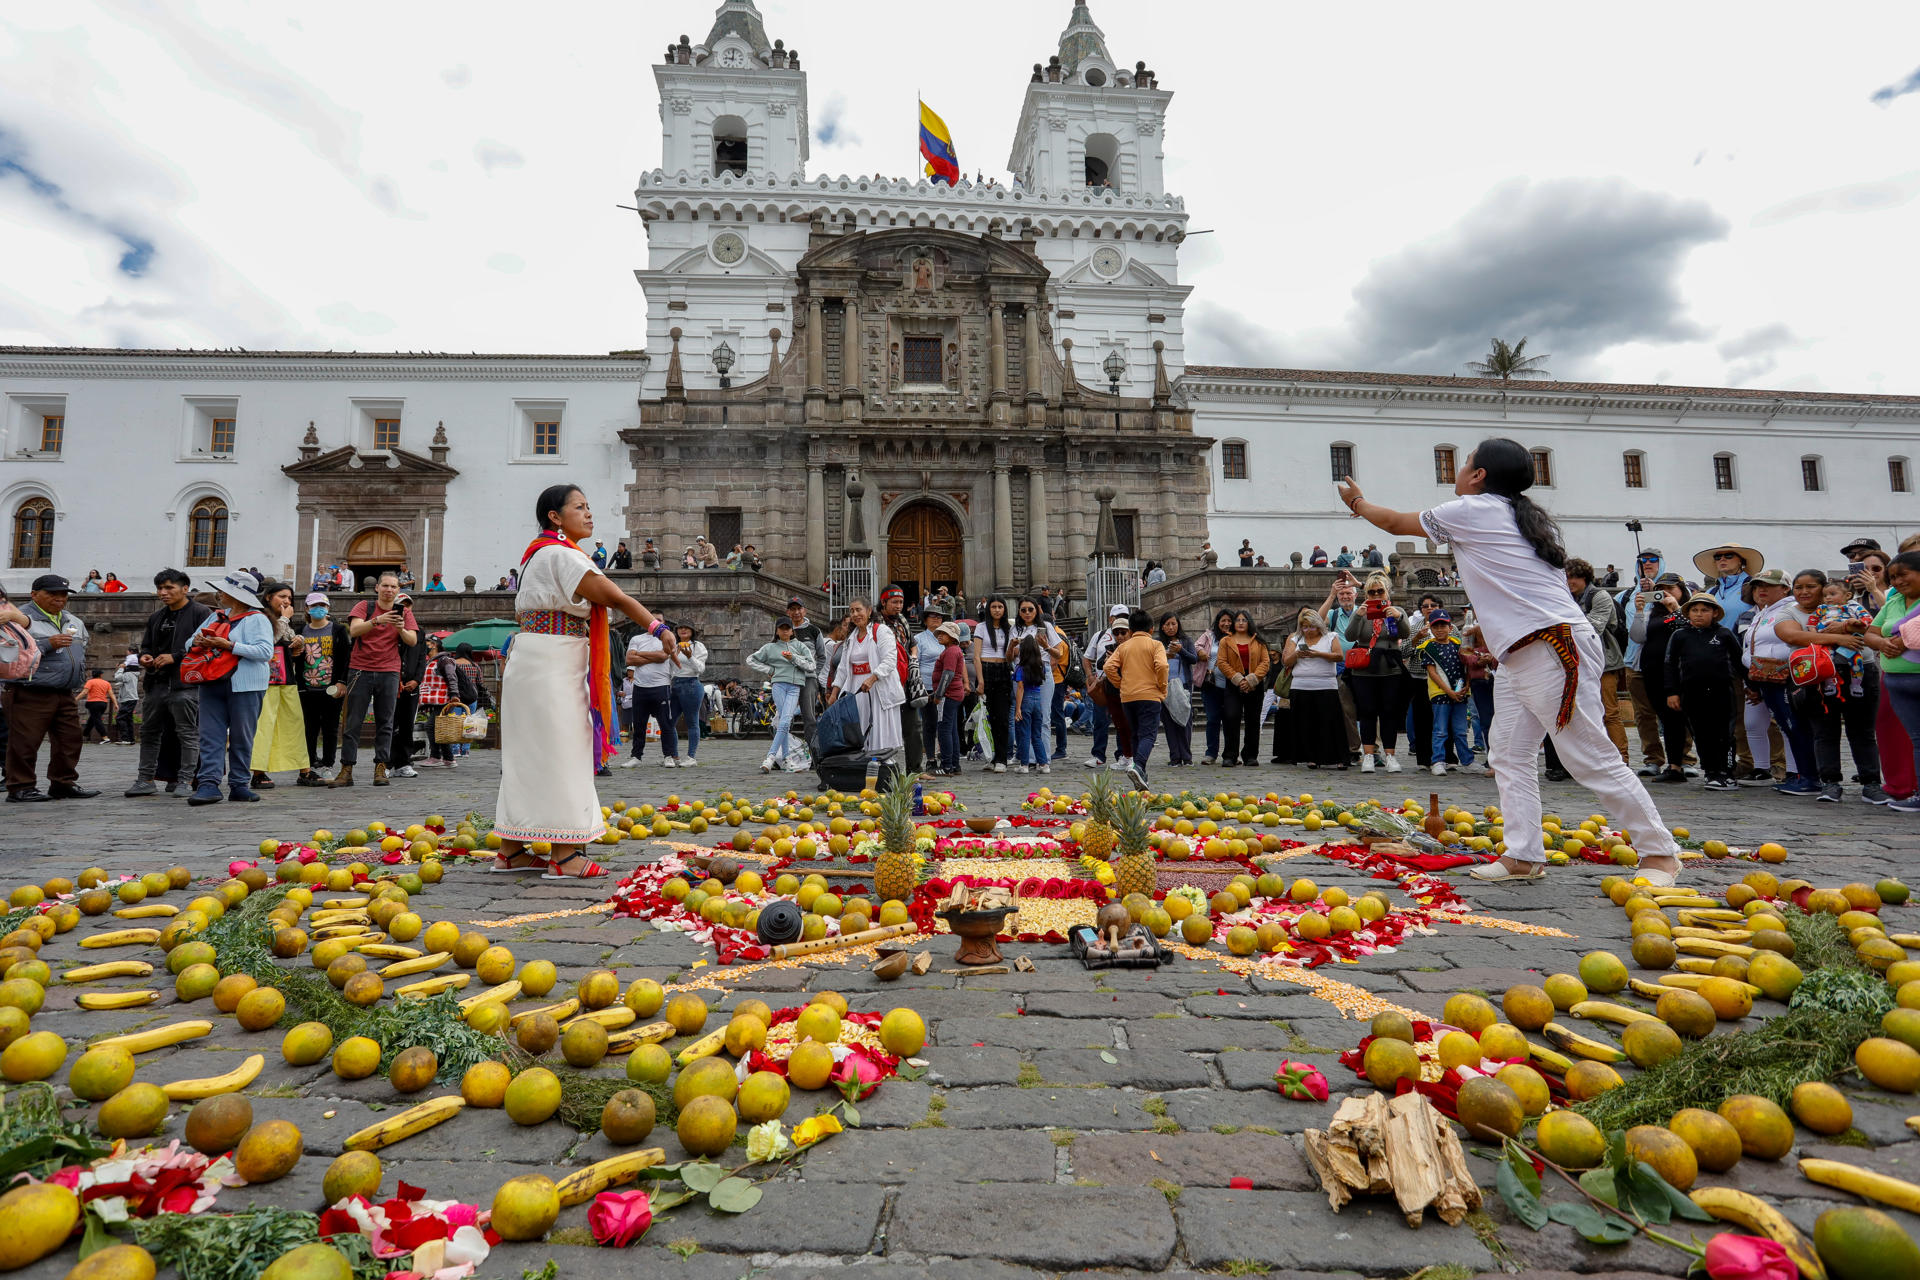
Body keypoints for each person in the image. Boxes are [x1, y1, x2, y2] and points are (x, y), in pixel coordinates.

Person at [1337, 437, 1684, 886]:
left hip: (1550, 647)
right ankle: (1523, 853)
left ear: (1479, 476)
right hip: (1524, 652)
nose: (1459, 471)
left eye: (1465, 464)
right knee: (1509, 754)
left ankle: (1659, 853)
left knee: (1588, 755)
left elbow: (1394, 523)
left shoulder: (1472, 511)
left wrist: (1357, 501)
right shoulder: (1523, 518)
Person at [494, 484, 670, 878]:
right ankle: (565, 855)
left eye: (589, 506)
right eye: (580, 507)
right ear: (555, 517)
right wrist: (658, 628)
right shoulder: (562, 556)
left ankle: (511, 850)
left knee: (528, 755)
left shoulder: (538, 555)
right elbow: (617, 598)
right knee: (564, 752)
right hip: (554, 661)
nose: (589, 514)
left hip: (532, 658)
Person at [1771, 570, 1884, 804]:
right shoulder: (1790, 612)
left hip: (1860, 672)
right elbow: (1792, 636)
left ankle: (1871, 783)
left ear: (1824, 589)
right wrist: (1841, 637)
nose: (1804, 592)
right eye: (1798, 587)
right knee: (1824, 732)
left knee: (1862, 731)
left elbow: (1873, 629)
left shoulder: (1850, 606)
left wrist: (1843, 627)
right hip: (1819, 677)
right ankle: (1830, 783)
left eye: (1810, 586)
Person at [183, 570, 275, 806]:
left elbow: (265, 652)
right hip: (212, 681)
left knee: (241, 736)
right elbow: (188, 642)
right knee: (209, 735)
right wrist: (197, 641)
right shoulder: (215, 616)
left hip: (245, 685)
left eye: (224, 590)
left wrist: (229, 645)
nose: (219, 593)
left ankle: (239, 784)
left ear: (236, 595)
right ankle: (208, 784)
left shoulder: (257, 619)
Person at [4, 575, 96, 804]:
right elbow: (10, 655)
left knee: (70, 739)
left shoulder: (71, 619)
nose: (59, 598)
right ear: (34, 594)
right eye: (52, 593)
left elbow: (82, 646)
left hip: (65, 691)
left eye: (63, 594)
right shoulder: (16, 619)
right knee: (25, 742)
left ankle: (63, 783)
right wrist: (47, 644)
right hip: (30, 690)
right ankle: (20, 787)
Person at [125, 569, 211, 797]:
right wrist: (145, 657)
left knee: (187, 733)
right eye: (160, 588)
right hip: (157, 682)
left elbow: (206, 645)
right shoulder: (157, 616)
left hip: (186, 684)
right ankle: (145, 779)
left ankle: (185, 780)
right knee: (149, 732)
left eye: (169, 588)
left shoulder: (201, 613)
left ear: (185, 588)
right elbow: (147, 645)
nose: (163, 593)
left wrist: (176, 656)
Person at [331, 573, 418, 789]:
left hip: (389, 670)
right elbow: (354, 630)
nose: (389, 590)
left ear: (398, 590)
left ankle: (381, 766)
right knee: (353, 723)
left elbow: (413, 640)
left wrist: (399, 627)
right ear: (377, 587)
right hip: (360, 670)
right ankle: (346, 768)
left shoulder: (405, 612)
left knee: (386, 723)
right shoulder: (364, 606)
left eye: (394, 587)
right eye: (385, 586)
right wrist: (378, 619)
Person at [1739, 569, 1820, 796]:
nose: (1761, 590)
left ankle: (1804, 775)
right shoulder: (1761, 612)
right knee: (1780, 725)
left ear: (1785, 588)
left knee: (1794, 726)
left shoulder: (1791, 609)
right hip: (1763, 675)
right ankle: (1792, 773)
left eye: (1768, 585)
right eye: (1757, 586)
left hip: (1786, 676)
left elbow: (1797, 641)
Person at [1617, 549, 1691, 777]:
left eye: (1653, 560)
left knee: (1678, 713)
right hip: (1636, 662)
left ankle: (1684, 759)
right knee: (1643, 715)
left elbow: (1688, 627)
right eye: (1642, 561)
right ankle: (1653, 759)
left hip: (1673, 667)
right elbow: (1634, 634)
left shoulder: (1680, 600)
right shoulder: (1626, 596)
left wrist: (1671, 603)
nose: (1647, 564)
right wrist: (1640, 608)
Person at [1665, 593, 1745, 792]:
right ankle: (1711, 772)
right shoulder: (1680, 635)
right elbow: (1670, 665)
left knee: (1724, 734)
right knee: (1701, 734)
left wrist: (1751, 686)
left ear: (1715, 612)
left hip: (1721, 692)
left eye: (1705, 610)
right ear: (1689, 613)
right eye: (1694, 610)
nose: (1699, 614)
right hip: (1691, 692)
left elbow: (1739, 662)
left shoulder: (1724, 634)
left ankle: (1727, 772)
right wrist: (1672, 692)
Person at [1564, 559, 1630, 764]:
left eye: (1574, 577)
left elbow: (1593, 628)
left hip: (1604, 663)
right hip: (1574, 663)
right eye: (1566, 577)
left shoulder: (1599, 596)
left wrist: (1563, 624)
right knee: (1580, 714)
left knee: (1609, 712)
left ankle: (1621, 759)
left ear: (1585, 578)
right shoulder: (1566, 598)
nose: (1569, 581)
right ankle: (1590, 759)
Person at [1344, 573, 1411, 773]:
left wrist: (1398, 618)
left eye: (1379, 591)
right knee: (1367, 713)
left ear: (1387, 591)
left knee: (1389, 712)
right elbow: (1350, 635)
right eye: (1371, 592)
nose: (1375, 595)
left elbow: (1405, 634)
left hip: (1390, 667)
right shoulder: (1362, 612)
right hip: (1365, 669)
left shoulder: (1396, 610)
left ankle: (1390, 755)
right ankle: (1369, 756)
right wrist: (1358, 615)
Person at [247, 582, 309, 790]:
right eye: (282, 596)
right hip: (264, 680)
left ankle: (304, 770)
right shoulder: (259, 617)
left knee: (294, 723)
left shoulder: (284, 620)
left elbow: (287, 640)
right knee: (264, 727)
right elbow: (268, 641)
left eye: (289, 598)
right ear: (268, 597)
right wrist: (284, 619)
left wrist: (298, 641)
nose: (286, 601)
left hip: (286, 678)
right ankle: (258, 772)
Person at [1632, 575, 1693, 784]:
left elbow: (1689, 630)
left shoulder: (1689, 609)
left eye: (1671, 588)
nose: (1665, 593)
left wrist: (1675, 608)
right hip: (1653, 671)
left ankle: (1691, 764)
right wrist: (1639, 611)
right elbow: (1638, 637)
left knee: (1683, 718)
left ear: (1681, 590)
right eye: (1661, 589)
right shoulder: (1652, 613)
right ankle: (1674, 766)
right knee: (1667, 719)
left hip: (1680, 671)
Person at [829, 597, 905, 759]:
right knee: (859, 726)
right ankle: (862, 765)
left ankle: (882, 764)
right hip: (857, 688)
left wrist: (872, 678)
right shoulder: (851, 637)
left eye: (858, 610)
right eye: (852, 611)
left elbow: (890, 660)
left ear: (869, 611)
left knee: (879, 726)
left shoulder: (881, 631)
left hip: (878, 688)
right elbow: (843, 668)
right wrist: (834, 693)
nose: (855, 614)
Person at [1103, 608, 1169, 787]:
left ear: (1130, 631)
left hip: (1127, 697)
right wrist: (1162, 687)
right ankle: (1138, 766)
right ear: (1152, 629)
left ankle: (1140, 773)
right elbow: (1162, 666)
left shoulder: (1123, 647)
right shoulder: (1156, 645)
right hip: (1150, 695)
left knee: (1135, 734)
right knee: (1148, 735)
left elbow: (1108, 667)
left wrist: (1120, 683)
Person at [747, 618, 818, 772]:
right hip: (778, 685)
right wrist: (769, 670)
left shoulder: (800, 646)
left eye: (788, 628)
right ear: (777, 631)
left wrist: (793, 658)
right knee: (784, 721)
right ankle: (786, 759)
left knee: (784, 720)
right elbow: (750, 659)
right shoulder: (770, 647)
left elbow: (812, 665)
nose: (785, 631)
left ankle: (771, 757)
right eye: (782, 628)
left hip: (795, 687)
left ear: (792, 631)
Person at [1282, 608, 1348, 768]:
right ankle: (1310, 757)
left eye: (1312, 627)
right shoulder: (1296, 639)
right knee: (1306, 724)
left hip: (1325, 685)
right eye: (1305, 627)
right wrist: (1297, 655)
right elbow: (1286, 662)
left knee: (1330, 723)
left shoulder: (1330, 637)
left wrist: (1318, 654)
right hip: (1301, 685)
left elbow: (1339, 656)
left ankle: (1338, 757)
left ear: (1319, 625)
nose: (1308, 630)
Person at [295, 593, 348, 785]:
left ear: (328, 608)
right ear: (307, 609)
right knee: (309, 729)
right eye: (314, 605)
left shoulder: (338, 630)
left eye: (322, 605)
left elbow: (344, 658)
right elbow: (294, 658)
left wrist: (342, 681)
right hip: (308, 688)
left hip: (331, 688)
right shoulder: (300, 631)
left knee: (330, 728)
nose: (318, 608)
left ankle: (328, 765)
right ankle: (308, 765)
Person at [1416, 610, 1474, 775]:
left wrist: (1467, 686)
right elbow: (1432, 673)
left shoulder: (1458, 644)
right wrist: (1448, 691)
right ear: (1431, 629)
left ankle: (1467, 761)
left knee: (1461, 730)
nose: (1440, 629)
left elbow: (1467, 666)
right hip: (1440, 693)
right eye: (1436, 627)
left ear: (1450, 627)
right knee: (1440, 730)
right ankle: (1438, 760)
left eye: (1443, 625)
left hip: (1460, 693)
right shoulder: (1428, 647)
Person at [1011, 597, 1064, 771]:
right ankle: (1027, 758)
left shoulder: (1046, 627)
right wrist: (1012, 647)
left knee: (1044, 717)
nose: (1027, 613)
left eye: (1030, 609)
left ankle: (1043, 758)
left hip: (1043, 671)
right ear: (1019, 612)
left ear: (1036, 610)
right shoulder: (1015, 629)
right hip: (1022, 672)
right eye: (1023, 610)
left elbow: (1059, 654)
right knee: (1023, 718)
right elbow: (1009, 657)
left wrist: (1046, 646)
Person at [624, 614, 680, 767]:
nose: (656, 623)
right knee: (639, 725)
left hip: (661, 686)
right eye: (652, 620)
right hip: (640, 687)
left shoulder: (667, 638)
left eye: (659, 621)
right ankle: (636, 756)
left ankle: (668, 755)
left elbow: (663, 656)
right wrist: (654, 657)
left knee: (665, 724)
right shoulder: (637, 639)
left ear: (664, 623)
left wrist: (639, 654)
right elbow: (629, 660)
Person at [1216, 610, 1270, 768]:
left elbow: (1265, 663)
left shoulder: (1259, 641)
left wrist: (1252, 679)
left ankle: (1251, 755)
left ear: (1249, 623)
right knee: (1231, 717)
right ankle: (1230, 755)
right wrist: (1238, 679)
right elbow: (1222, 662)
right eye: (1238, 620)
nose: (1240, 622)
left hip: (1254, 683)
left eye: (1244, 620)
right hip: (1234, 683)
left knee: (1253, 720)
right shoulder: (1226, 641)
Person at [878, 588, 923, 773]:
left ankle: (915, 769)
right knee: (883, 728)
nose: (898, 607)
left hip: (906, 681)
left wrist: (912, 660)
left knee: (913, 726)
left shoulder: (903, 620)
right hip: (886, 681)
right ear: (883, 603)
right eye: (894, 602)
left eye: (900, 603)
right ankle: (884, 769)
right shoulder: (876, 623)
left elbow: (913, 644)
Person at [1083, 605, 1131, 769]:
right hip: (1104, 684)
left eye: (1124, 616)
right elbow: (1088, 658)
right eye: (1117, 617)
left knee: (1122, 722)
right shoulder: (1100, 636)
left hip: (1124, 685)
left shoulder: (1132, 638)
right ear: (1111, 619)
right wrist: (1090, 676)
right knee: (1100, 720)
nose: (1119, 634)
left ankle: (1123, 755)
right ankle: (1098, 754)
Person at [971, 596, 1014, 772]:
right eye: (994, 607)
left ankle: (1002, 759)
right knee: (987, 718)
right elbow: (976, 656)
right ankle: (991, 756)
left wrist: (1014, 647)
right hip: (986, 670)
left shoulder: (1009, 629)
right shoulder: (981, 627)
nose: (997, 610)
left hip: (1003, 670)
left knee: (1002, 717)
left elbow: (1010, 656)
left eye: (1000, 607)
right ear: (988, 609)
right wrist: (980, 681)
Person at [414, 636, 465, 769]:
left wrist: (454, 695)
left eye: (425, 643)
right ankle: (449, 759)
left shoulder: (444, 660)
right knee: (438, 728)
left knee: (432, 726)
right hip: (436, 700)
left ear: (433, 644)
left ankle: (436, 757)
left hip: (444, 699)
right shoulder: (431, 661)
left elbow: (451, 677)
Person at [1194, 608, 1235, 765]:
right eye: (1223, 620)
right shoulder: (1209, 635)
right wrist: (1201, 652)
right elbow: (1196, 646)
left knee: (1231, 720)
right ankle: (1211, 753)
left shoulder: (1237, 637)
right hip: (1211, 684)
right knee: (1212, 719)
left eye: (1229, 621)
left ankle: (1231, 753)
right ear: (1218, 622)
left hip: (1231, 686)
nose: (1226, 623)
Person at [785, 597, 826, 751]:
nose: (796, 612)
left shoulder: (814, 630)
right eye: (793, 609)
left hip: (808, 680)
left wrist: (814, 673)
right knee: (784, 718)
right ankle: (784, 752)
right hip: (788, 680)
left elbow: (822, 656)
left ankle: (814, 752)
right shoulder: (784, 630)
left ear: (804, 610)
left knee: (809, 717)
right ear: (788, 612)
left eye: (799, 609)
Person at [912, 602, 950, 767]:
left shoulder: (947, 637)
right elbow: (916, 664)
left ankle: (946, 754)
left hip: (947, 686)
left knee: (945, 723)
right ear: (925, 620)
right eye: (933, 616)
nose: (936, 619)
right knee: (929, 723)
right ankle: (930, 758)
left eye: (939, 617)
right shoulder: (919, 639)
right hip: (927, 686)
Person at [929, 620, 969, 775]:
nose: (939, 635)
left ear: (952, 637)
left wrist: (939, 695)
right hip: (953, 694)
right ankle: (954, 765)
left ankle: (946, 766)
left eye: (944, 633)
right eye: (939, 633)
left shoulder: (951, 651)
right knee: (951, 729)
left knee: (944, 729)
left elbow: (948, 674)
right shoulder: (953, 650)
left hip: (949, 694)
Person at [1158, 612, 1196, 767]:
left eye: (1173, 623)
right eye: (1167, 624)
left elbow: (1193, 659)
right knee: (1168, 722)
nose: (1171, 627)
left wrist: (1180, 650)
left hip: (1183, 685)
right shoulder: (1158, 643)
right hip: (1164, 686)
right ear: (1162, 627)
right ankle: (1175, 757)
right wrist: (1166, 655)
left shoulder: (1186, 641)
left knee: (1185, 720)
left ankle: (1186, 757)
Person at [670, 622, 710, 767]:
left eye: (686, 627)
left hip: (691, 684)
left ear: (692, 631)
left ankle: (691, 757)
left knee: (692, 721)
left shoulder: (698, 646)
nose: (683, 629)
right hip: (675, 684)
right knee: (670, 721)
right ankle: (673, 755)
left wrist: (690, 656)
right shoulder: (673, 644)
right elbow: (669, 667)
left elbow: (700, 669)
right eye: (680, 627)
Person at [1010, 633, 1049, 774]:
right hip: (1037, 700)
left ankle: (1024, 764)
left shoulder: (1020, 668)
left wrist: (1018, 708)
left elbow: (1020, 688)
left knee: (1024, 734)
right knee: (1036, 734)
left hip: (1025, 699)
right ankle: (1044, 763)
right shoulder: (1041, 666)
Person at [81, 670, 115, 745]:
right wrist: (116, 704)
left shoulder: (90, 682)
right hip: (103, 704)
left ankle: (105, 737)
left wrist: (75, 699)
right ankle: (84, 735)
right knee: (92, 720)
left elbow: (84, 692)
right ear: (101, 675)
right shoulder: (106, 683)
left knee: (97, 720)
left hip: (93, 703)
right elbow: (111, 694)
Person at [109, 657, 138, 744]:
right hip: (130, 699)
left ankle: (125, 739)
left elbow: (117, 678)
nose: (117, 668)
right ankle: (130, 739)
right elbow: (120, 682)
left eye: (118, 666)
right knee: (128, 719)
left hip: (129, 699)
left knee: (120, 718)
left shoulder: (128, 674)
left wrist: (121, 668)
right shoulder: (130, 675)